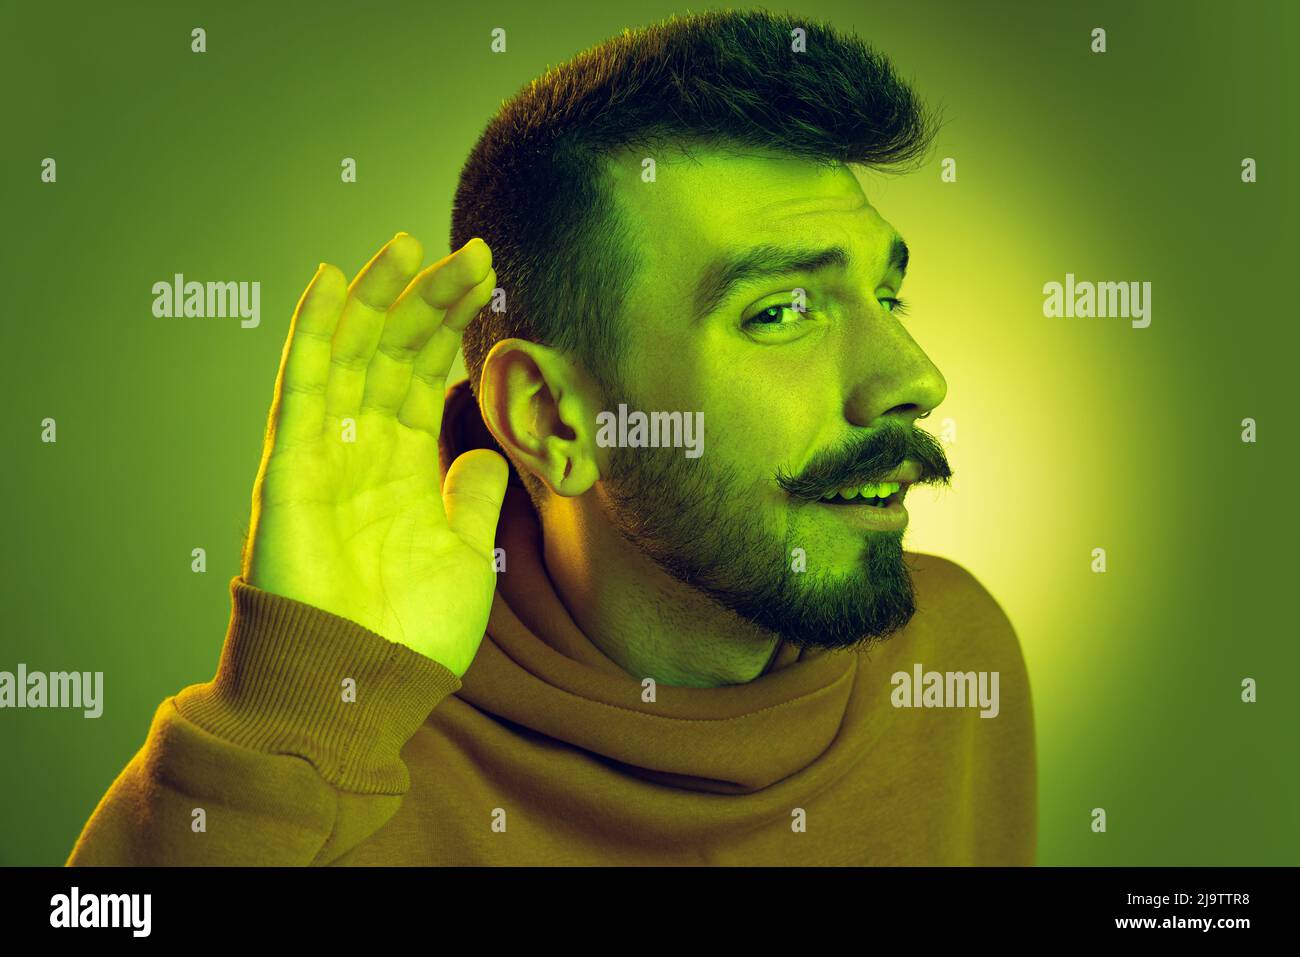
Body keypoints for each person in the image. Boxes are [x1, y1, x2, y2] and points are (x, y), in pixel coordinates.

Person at [67, 8, 1035, 866]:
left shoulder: (955, 651)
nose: (912, 379)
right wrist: (290, 722)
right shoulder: (330, 758)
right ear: (552, 419)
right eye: (780, 311)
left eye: (884, 293)